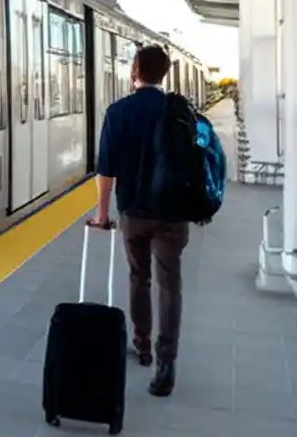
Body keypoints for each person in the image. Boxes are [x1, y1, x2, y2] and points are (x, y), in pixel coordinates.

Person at [87, 44, 201, 398]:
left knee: (139, 278)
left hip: (134, 212)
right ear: (164, 74)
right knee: (170, 284)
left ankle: (143, 345)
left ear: (135, 70)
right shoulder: (179, 111)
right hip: (173, 214)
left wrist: (102, 213)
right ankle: (167, 362)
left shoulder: (118, 112)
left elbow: (105, 171)